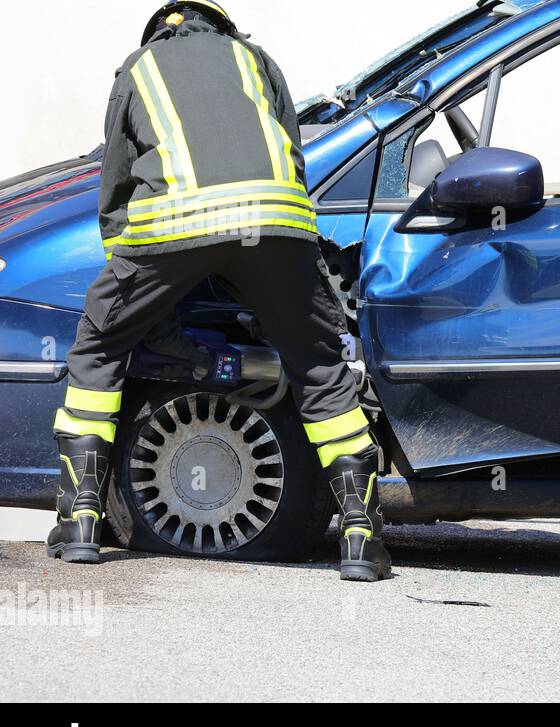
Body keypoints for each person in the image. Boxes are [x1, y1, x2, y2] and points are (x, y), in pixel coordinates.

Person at [48, 0, 392, 582]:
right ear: (222, 25)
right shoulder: (257, 60)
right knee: (319, 366)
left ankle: (80, 519)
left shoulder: (138, 68)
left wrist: (130, 289)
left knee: (98, 350)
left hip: (172, 229)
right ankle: (361, 537)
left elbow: (117, 182)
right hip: (274, 224)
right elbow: (290, 152)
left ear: (160, 30)